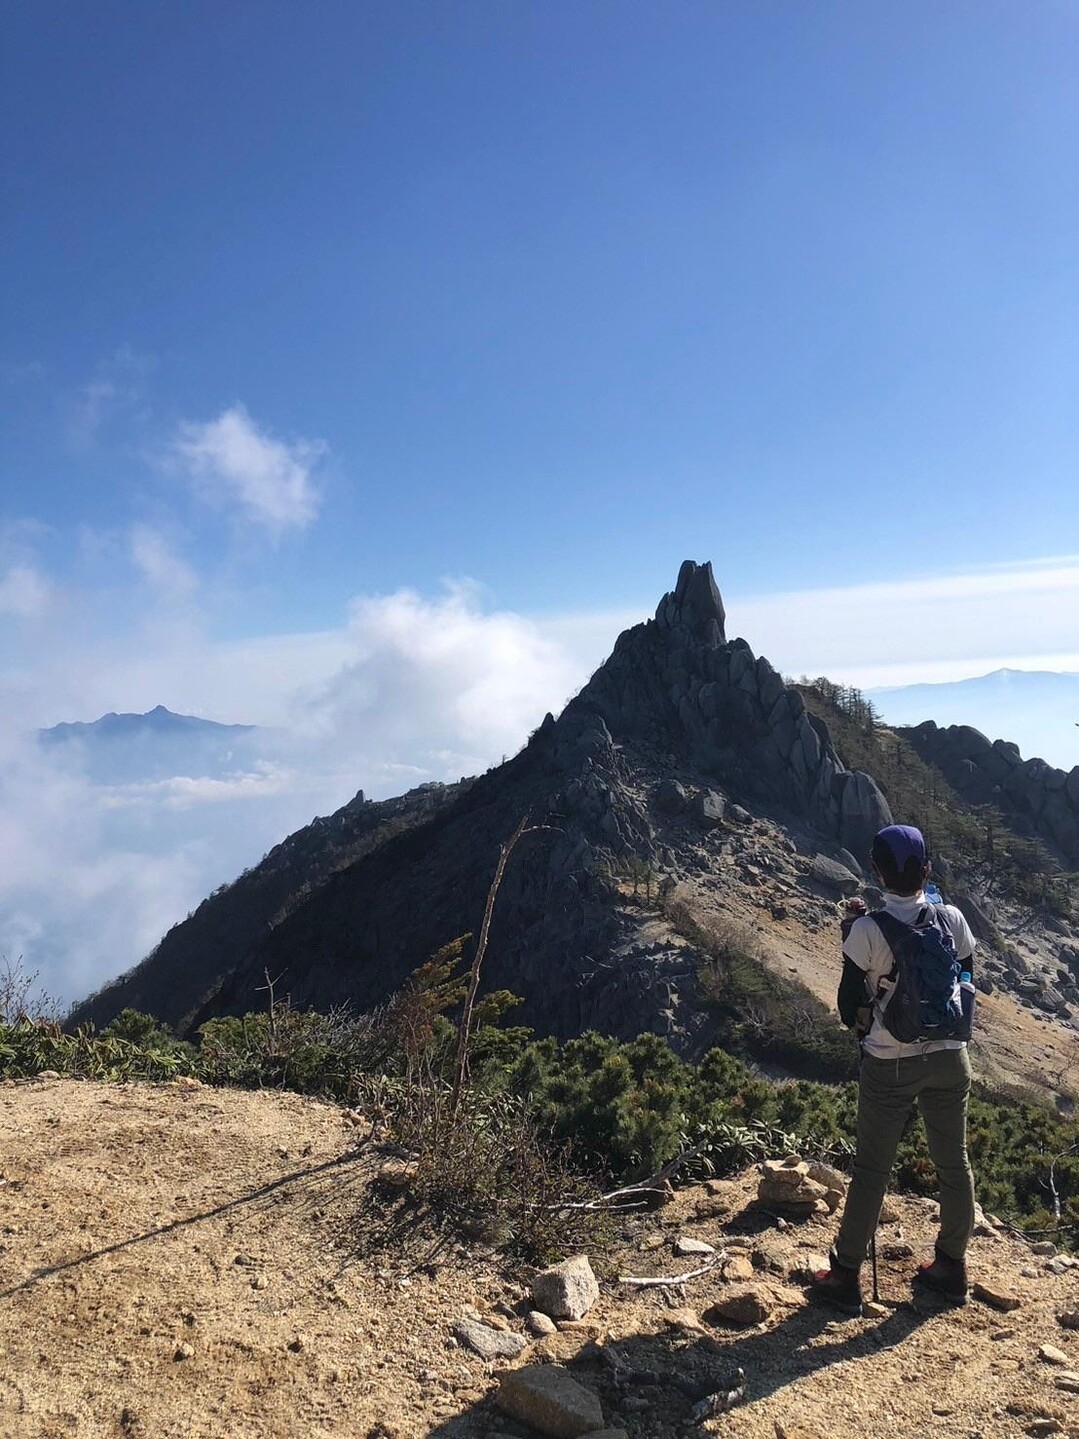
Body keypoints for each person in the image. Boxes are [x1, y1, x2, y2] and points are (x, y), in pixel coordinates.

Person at [809, 823, 978, 1317]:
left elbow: (848, 1005)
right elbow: (965, 977)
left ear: (878, 870)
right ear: (926, 869)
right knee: (955, 1161)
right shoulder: (952, 918)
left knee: (871, 1171)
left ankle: (844, 1277)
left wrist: (855, 937)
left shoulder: (866, 929)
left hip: (891, 1062)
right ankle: (951, 1267)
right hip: (950, 1057)